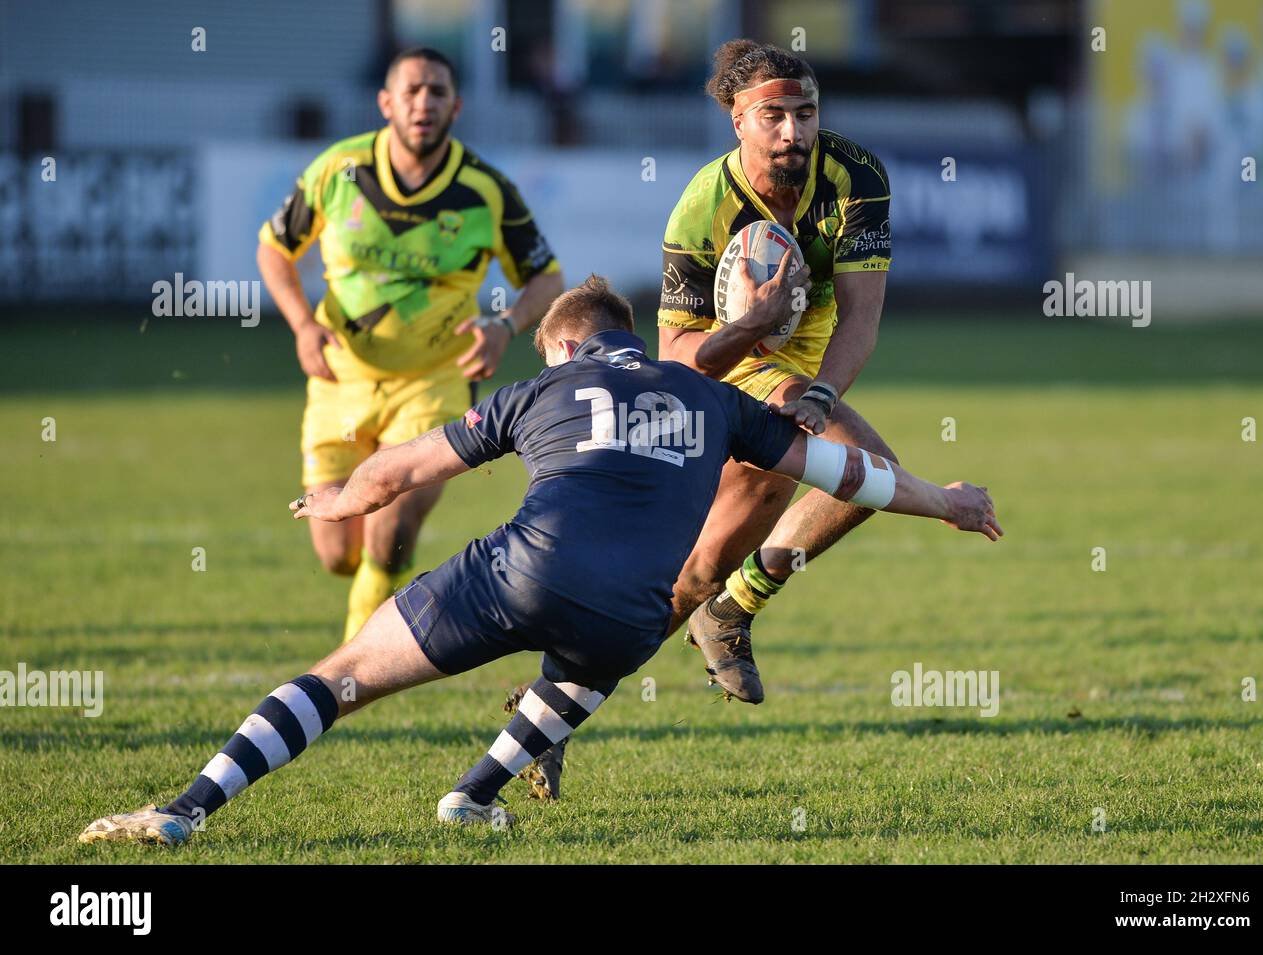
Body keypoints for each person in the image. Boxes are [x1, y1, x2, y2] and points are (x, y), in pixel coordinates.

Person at [79, 275, 1000, 844]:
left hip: (523, 569)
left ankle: (188, 807)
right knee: (591, 661)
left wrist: (342, 498)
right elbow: (849, 473)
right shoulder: (716, 400)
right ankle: (474, 795)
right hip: (635, 612)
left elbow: (407, 465)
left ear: (566, 342)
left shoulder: (544, 383)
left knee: (346, 672)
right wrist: (945, 501)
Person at [257, 46, 563, 643]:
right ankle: (364, 606)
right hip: (339, 379)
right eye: (413, 91)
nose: (424, 103)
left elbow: (547, 278)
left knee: (389, 521)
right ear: (387, 102)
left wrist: (503, 326)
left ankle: (349, 671)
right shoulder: (338, 171)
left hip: (436, 380)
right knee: (337, 555)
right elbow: (274, 249)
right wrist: (301, 324)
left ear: (456, 106)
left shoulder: (485, 191)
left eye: (437, 92)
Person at [658, 39, 898, 702]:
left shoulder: (856, 178)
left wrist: (821, 391)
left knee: (699, 571)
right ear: (738, 120)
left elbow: (861, 317)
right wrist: (748, 328)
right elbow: (675, 351)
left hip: (811, 362)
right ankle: (734, 609)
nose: (795, 129)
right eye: (774, 116)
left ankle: (552, 711)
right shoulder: (703, 203)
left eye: (807, 112)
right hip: (733, 359)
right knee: (871, 467)